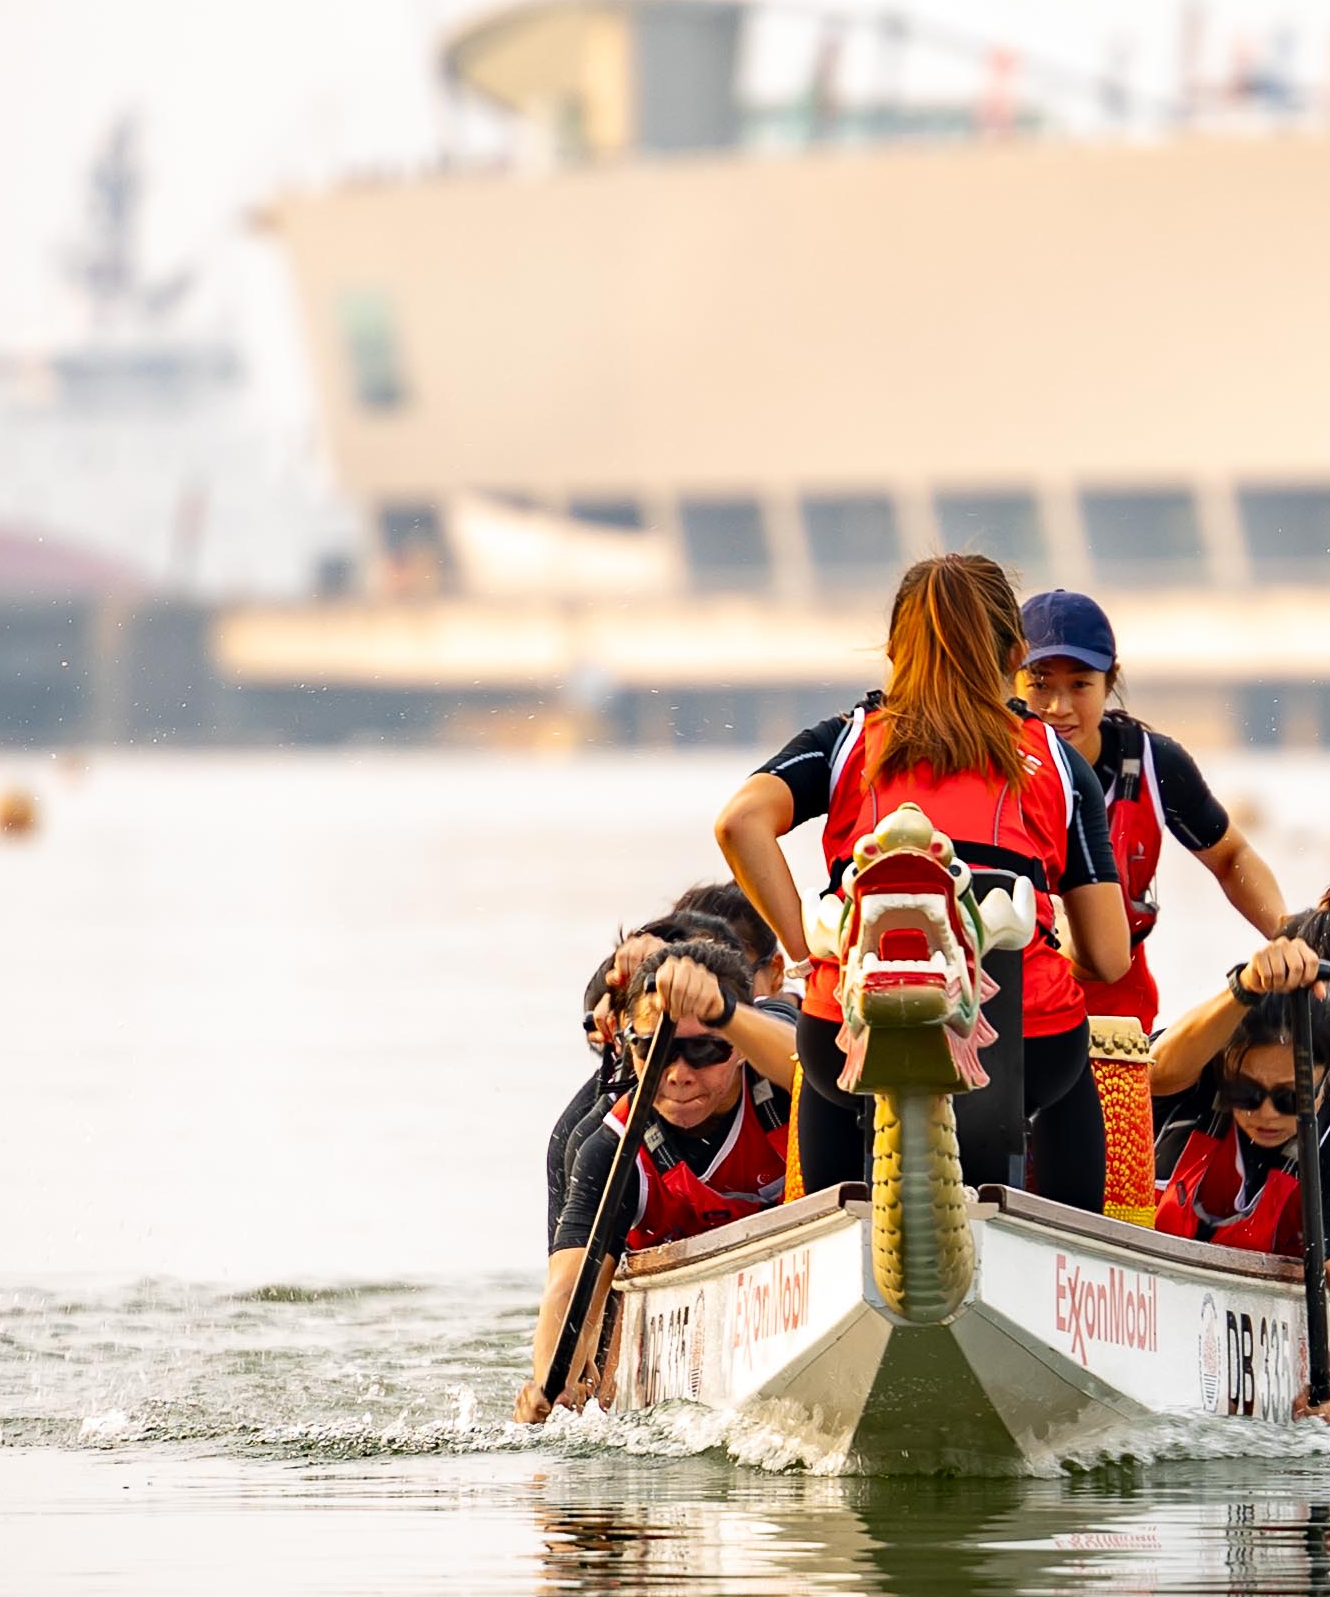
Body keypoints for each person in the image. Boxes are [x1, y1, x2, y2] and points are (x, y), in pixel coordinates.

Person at [715, 552, 1131, 1207]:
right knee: (1067, 1062)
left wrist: (805, 949)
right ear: (1016, 655)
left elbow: (740, 822)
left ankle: (838, 1222)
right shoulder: (1058, 758)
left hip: (847, 1038)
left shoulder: (846, 741)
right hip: (1023, 1048)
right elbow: (1108, 957)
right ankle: (1071, 1231)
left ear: (892, 653)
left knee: (825, 1047)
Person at [518, 940, 797, 1421]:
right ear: (630, 1048)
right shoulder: (611, 1148)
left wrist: (727, 1013)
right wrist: (549, 1389)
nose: (679, 1074)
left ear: (740, 1048)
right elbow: (567, 1287)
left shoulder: (785, 1088)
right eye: (656, 1050)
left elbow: (826, 1070)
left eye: (705, 1049)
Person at [1016, 589, 1286, 1028]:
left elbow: (1231, 857)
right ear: (1010, 681)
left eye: (1080, 685)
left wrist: (1286, 933)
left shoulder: (1154, 763)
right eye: (1040, 685)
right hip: (1016, 1008)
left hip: (1118, 1018)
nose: (1059, 708)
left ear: (1110, 682)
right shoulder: (988, 767)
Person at [1145, 937, 1330, 1422]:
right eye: (1246, 1092)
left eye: (1289, 1098)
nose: (1265, 1114)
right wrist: (1246, 986)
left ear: (1329, 1077)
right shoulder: (1190, 1076)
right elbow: (1152, 1072)